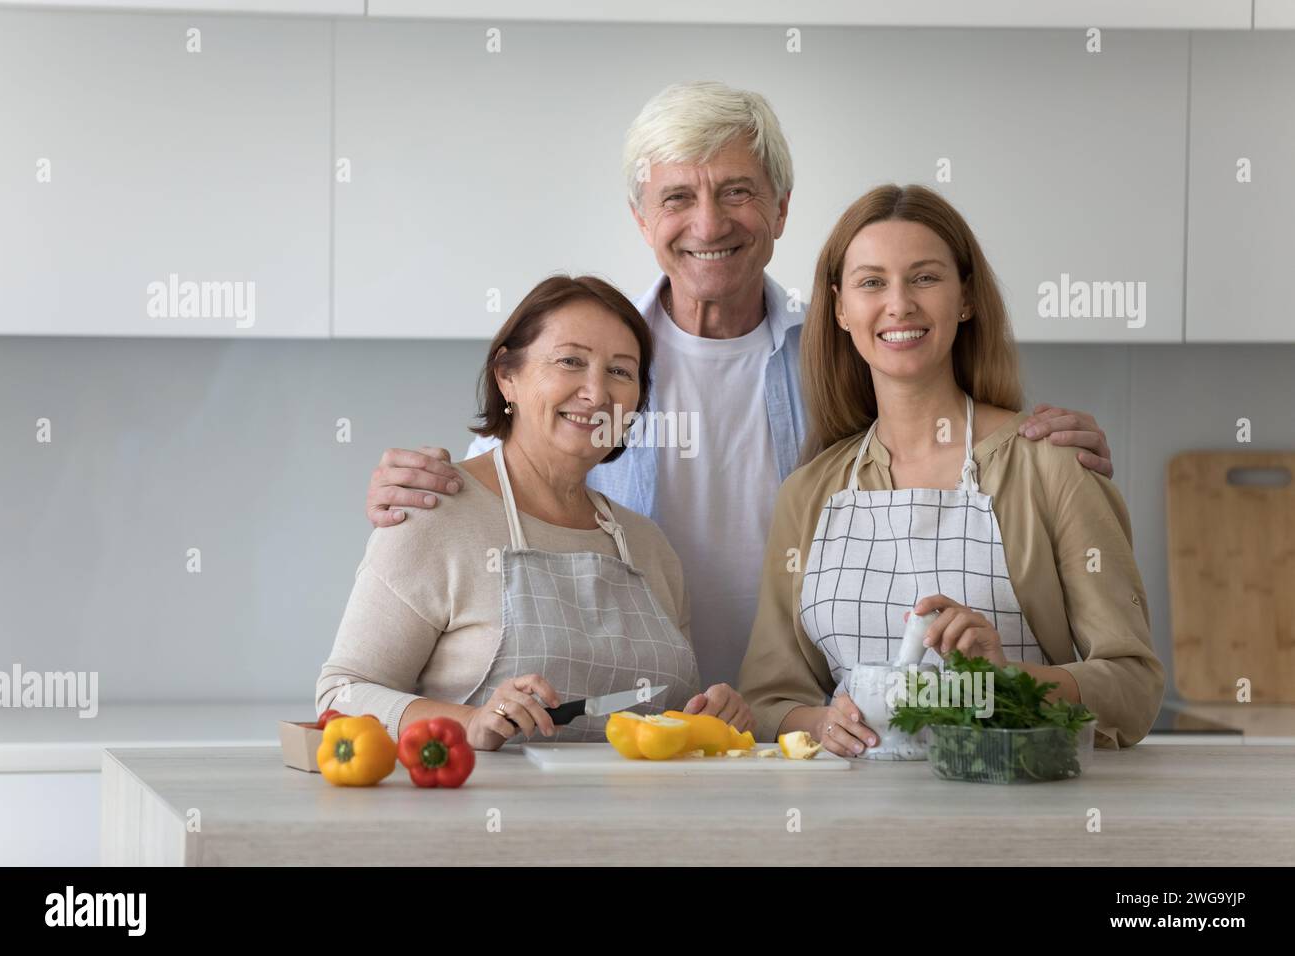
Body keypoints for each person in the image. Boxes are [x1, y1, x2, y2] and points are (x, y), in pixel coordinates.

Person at [361, 81, 1117, 703]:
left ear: (782, 208)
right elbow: (497, 494)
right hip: (643, 722)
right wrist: (421, 488)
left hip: (806, 728)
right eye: (677, 197)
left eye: (736, 192)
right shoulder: (600, 371)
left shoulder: (846, 349)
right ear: (641, 218)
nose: (708, 222)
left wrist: (1040, 455)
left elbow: (940, 418)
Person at [738, 185, 1165, 753]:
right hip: (847, 822)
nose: (899, 305)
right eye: (872, 282)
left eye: (925, 277)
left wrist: (1003, 681)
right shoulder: (809, 493)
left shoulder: (1051, 467)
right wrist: (819, 723)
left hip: (1017, 813)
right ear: (840, 308)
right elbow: (768, 698)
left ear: (965, 297)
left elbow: (1133, 686)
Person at [318, 276, 752, 749]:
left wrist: (714, 716)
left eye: (621, 372)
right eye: (570, 361)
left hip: (638, 822)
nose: (596, 393)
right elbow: (340, 695)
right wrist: (470, 722)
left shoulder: (650, 548)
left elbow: (667, 727)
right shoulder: (432, 513)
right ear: (508, 375)